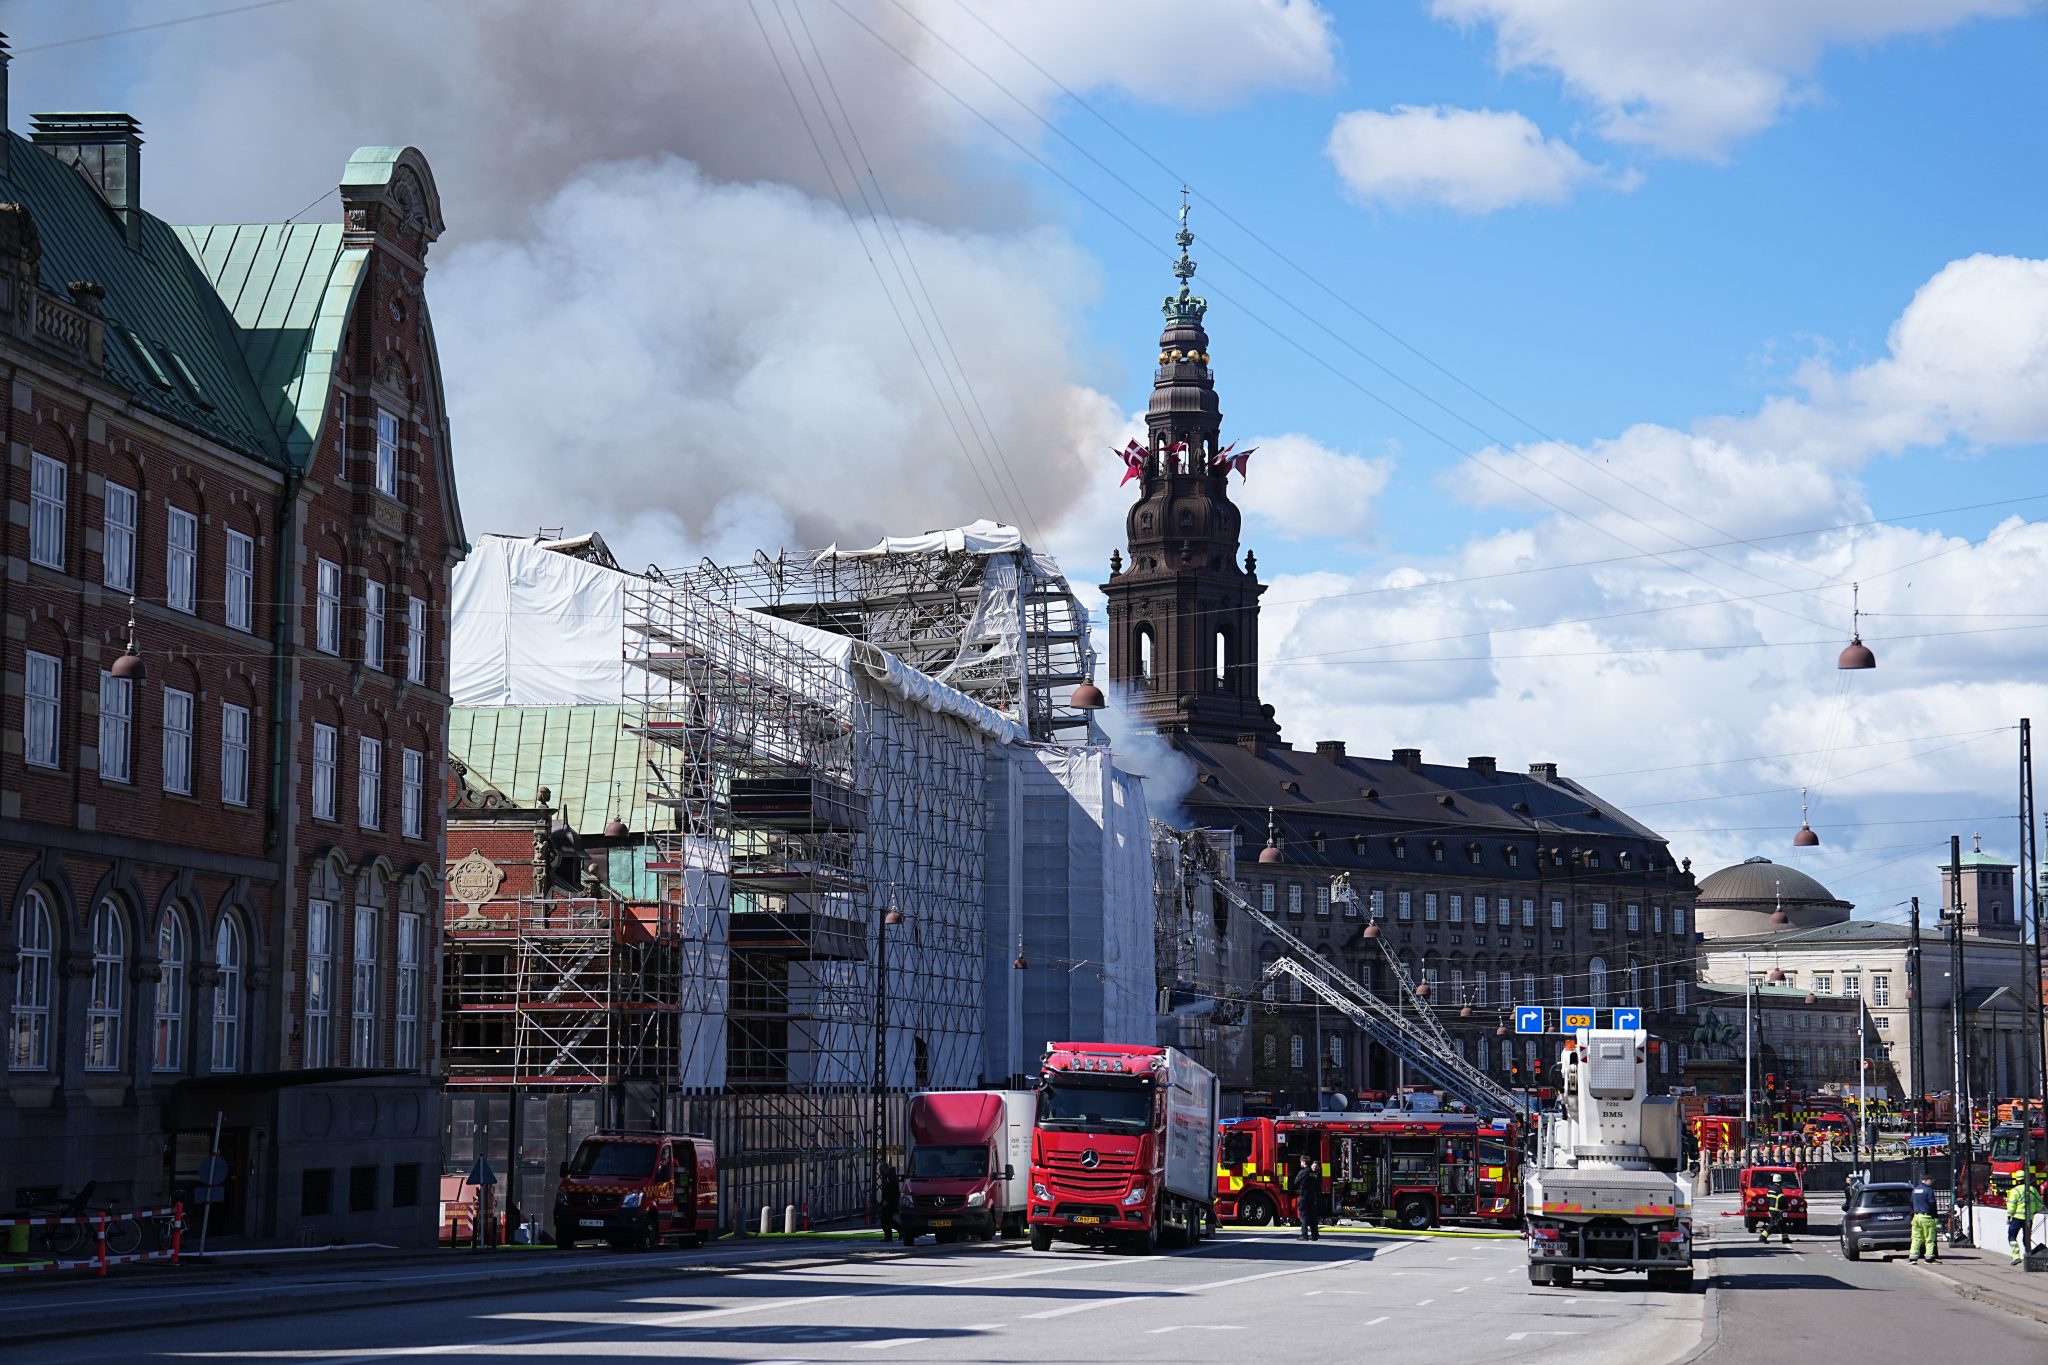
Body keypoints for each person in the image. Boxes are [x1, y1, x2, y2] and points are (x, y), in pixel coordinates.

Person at [2006, 1166, 2044, 1267]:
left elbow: (2011, 1205)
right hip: (2029, 1218)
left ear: (2017, 1180)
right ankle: (2029, 1255)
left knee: (2012, 1235)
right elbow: (2039, 1205)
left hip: (2017, 1218)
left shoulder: (2015, 1190)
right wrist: (2035, 1211)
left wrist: (2009, 1216)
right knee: (2026, 1237)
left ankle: (2016, 1256)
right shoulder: (2032, 1189)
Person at [1909, 1173, 1941, 1263]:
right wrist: (1935, 1216)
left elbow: (1911, 1203)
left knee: (1916, 1238)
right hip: (1926, 1218)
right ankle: (1929, 1258)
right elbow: (1932, 1204)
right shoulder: (1928, 1190)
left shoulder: (1915, 1190)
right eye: (1931, 1181)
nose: (1932, 1183)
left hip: (1916, 1217)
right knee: (1930, 1238)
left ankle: (1913, 1258)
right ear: (1926, 1180)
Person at [1290, 1156, 1323, 1241]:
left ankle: (1304, 1235)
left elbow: (1295, 1182)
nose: (1300, 1163)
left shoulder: (1303, 1172)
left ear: (1304, 1162)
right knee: (1312, 1216)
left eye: (1301, 1162)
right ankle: (1314, 1235)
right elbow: (1317, 1184)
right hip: (1312, 1197)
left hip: (1304, 1197)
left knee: (1303, 1216)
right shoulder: (1313, 1173)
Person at [878, 1161, 901, 1243]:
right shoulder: (889, 1176)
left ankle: (889, 1236)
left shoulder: (889, 1177)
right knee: (888, 1220)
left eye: (881, 1169)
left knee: (886, 1220)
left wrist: (885, 1202)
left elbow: (891, 1192)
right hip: (890, 1202)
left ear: (885, 1168)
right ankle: (897, 1232)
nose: (880, 1172)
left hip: (890, 1203)